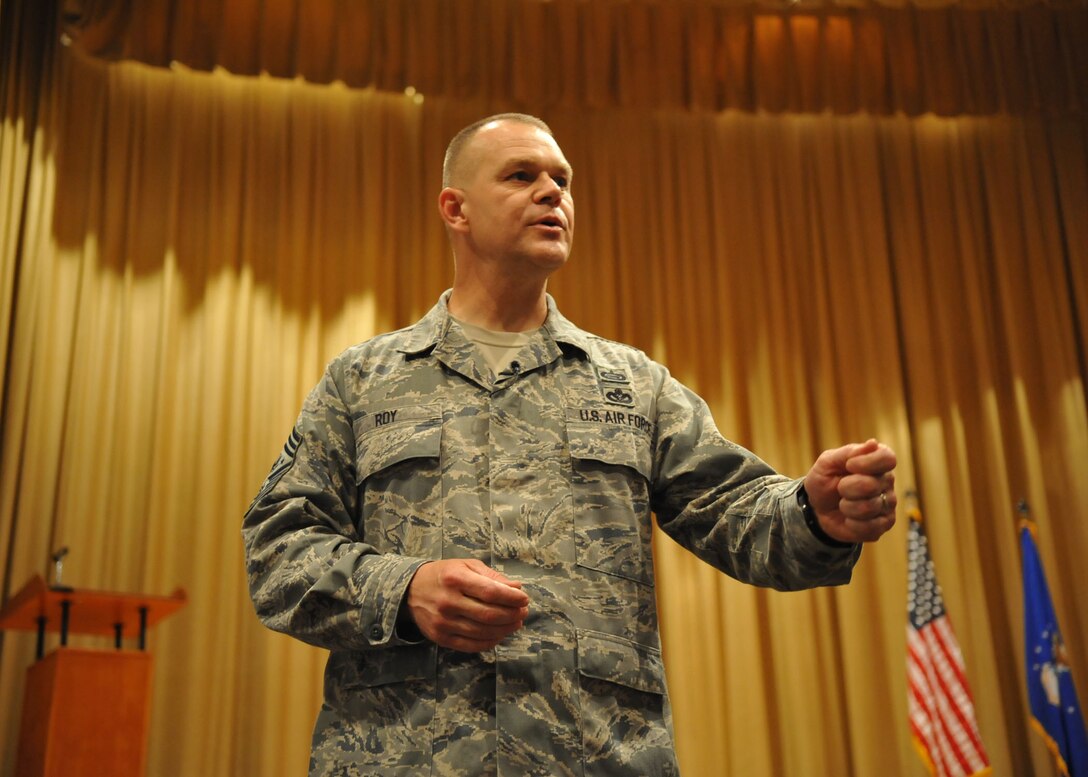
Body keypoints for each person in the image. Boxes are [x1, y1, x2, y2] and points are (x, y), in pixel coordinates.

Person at [242, 113, 897, 776]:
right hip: (405, 756)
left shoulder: (633, 384)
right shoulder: (365, 380)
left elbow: (739, 512)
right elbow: (277, 552)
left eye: (563, 179)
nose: (553, 192)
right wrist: (403, 589)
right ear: (455, 208)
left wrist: (814, 514)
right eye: (522, 176)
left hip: (594, 756)